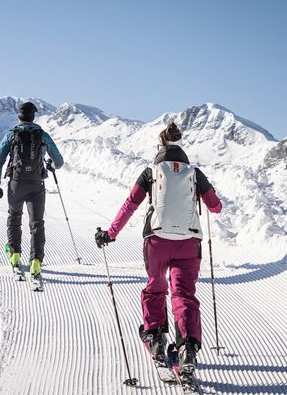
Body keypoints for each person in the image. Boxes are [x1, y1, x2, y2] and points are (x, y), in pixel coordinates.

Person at [95, 122, 222, 374]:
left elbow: (130, 204)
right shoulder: (194, 173)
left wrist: (110, 234)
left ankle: (155, 339)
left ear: (160, 145)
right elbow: (215, 207)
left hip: (157, 241)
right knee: (183, 294)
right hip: (188, 243)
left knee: (156, 287)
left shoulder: (150, 172)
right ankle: (187, 348)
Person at [0, 101, 64, 279]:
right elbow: (59, 161)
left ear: (19, 116)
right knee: (37, 223)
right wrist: (51, 166)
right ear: (33, 117)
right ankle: (36, 262)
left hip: (16, 184)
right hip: (36, 184)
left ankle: (15, 256)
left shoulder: (11, 134)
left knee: (14, 217)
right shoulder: (42, 135)